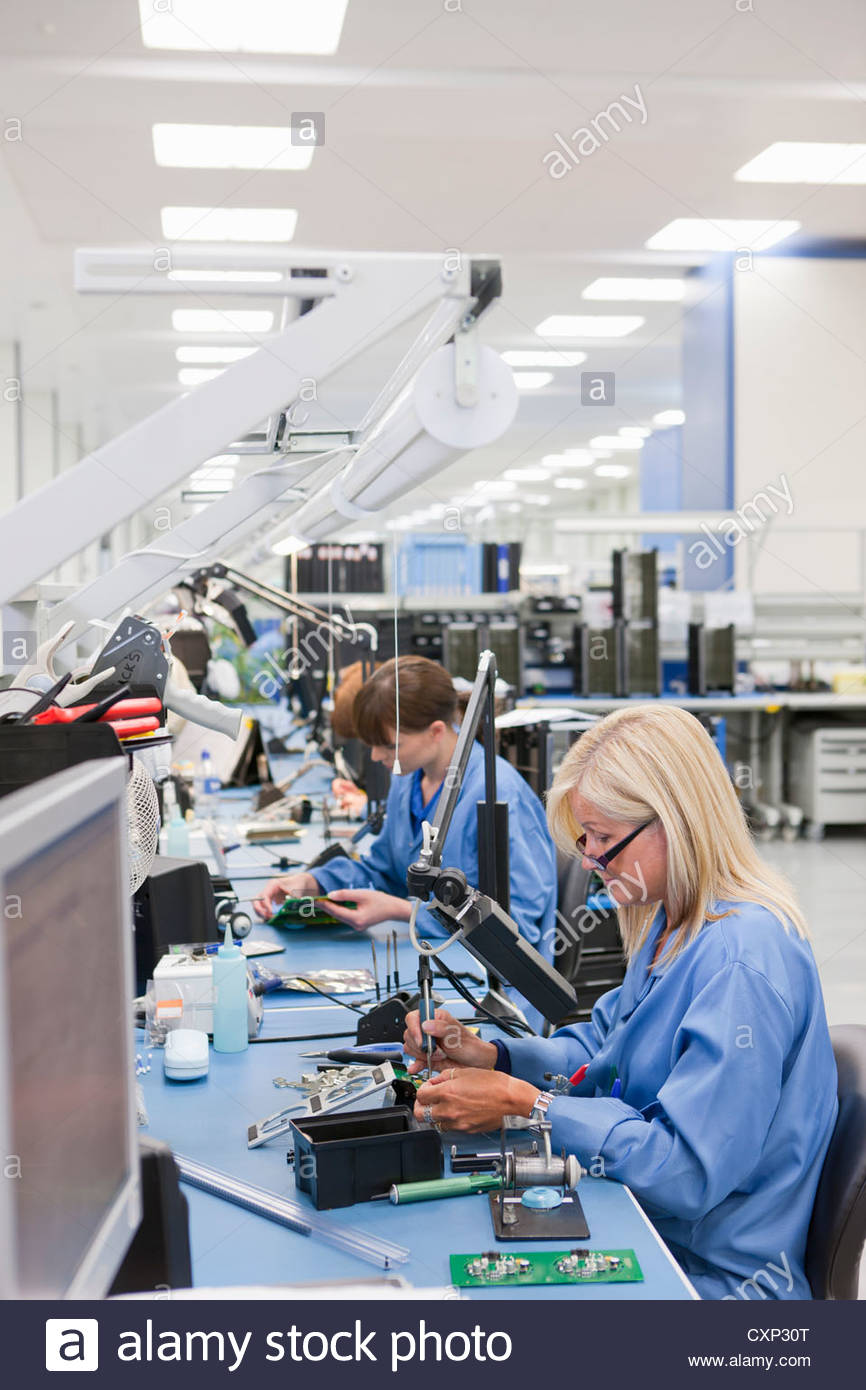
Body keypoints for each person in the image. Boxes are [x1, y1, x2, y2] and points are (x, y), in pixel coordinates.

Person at [403, 704, 838, 1301]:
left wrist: (531, 1107)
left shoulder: (744, 961)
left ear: (675, 822)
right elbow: (600, 1049)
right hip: (647, 1225)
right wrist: (494, 1058)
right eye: (586, 840)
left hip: (713, 1283)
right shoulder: (674, 923)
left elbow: (687, 1172)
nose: (588, 861)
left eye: (604, 839)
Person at [253, 656, 557, 1020]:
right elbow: (384, 870)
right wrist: (315, 881)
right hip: (431, 968)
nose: (377, 756)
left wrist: (401, 911)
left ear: (436, 731)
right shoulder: (407, 779)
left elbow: (519, 927)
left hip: (497, 1000)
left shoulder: (498, 794)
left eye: (389, 745)